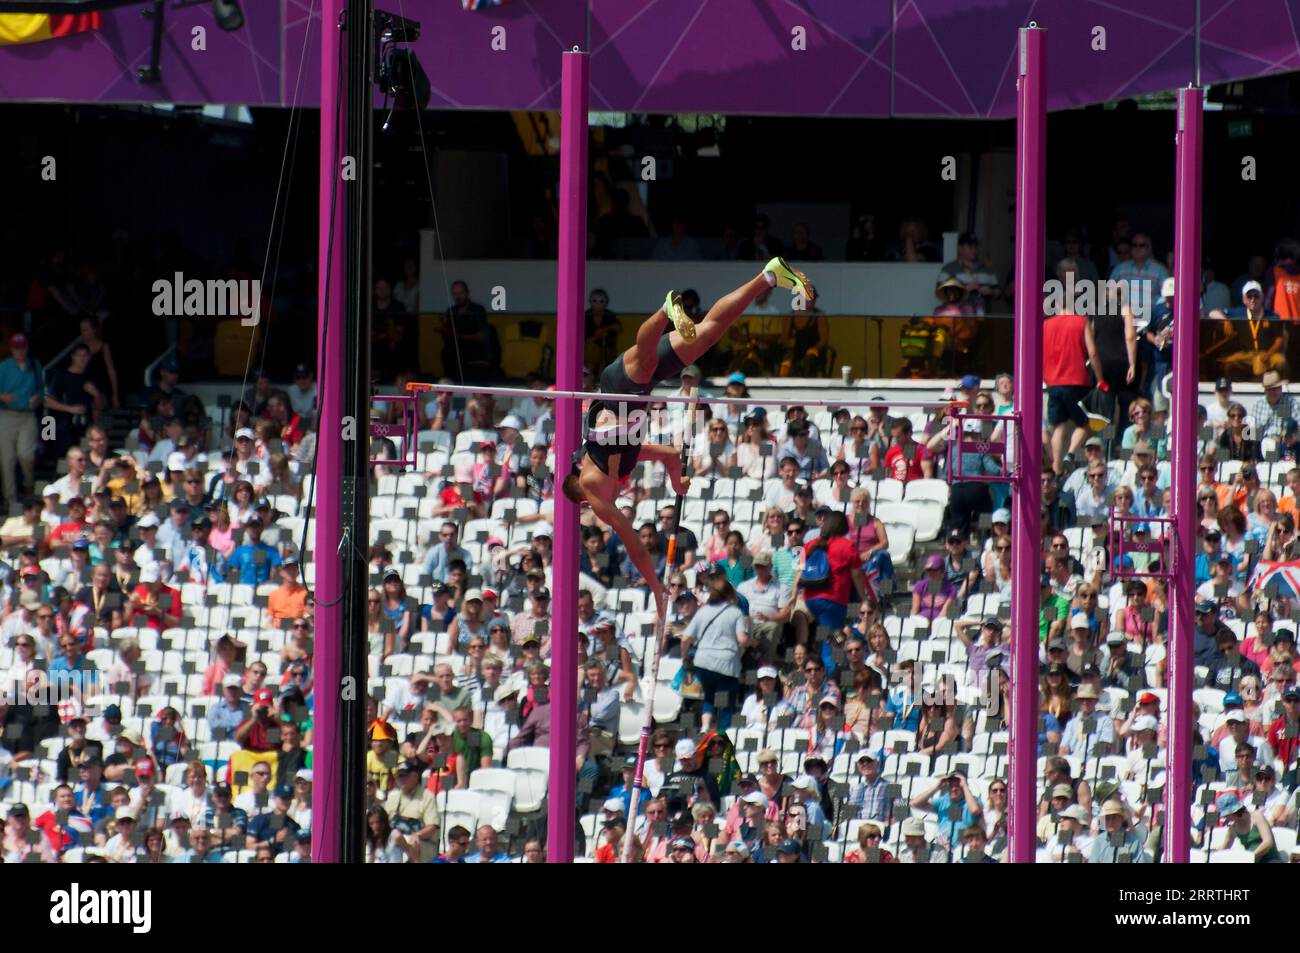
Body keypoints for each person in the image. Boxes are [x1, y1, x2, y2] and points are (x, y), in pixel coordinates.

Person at [564, 260, 815, 616]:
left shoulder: (594, 486)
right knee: (709, 332)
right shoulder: (626, 462)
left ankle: (666, 308)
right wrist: (676, 481)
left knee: (646, 361)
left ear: (586, 500)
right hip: (638, 394)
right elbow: (666, 452)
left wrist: (656, 589)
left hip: (618, 390)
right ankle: (768, 277)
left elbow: (634, 545)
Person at [0, 333, 42, 509]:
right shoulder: (3, 366)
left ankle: (28, 484)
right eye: (17, 348)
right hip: (6, 414)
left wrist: (37, 398)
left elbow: (42, 389)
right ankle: (11, 500)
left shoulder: (35, 364)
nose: (20, 351)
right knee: (6, 459)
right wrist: (2, 396)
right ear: (11, 349)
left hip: (27, 415)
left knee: (26, 454)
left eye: (23, 347)